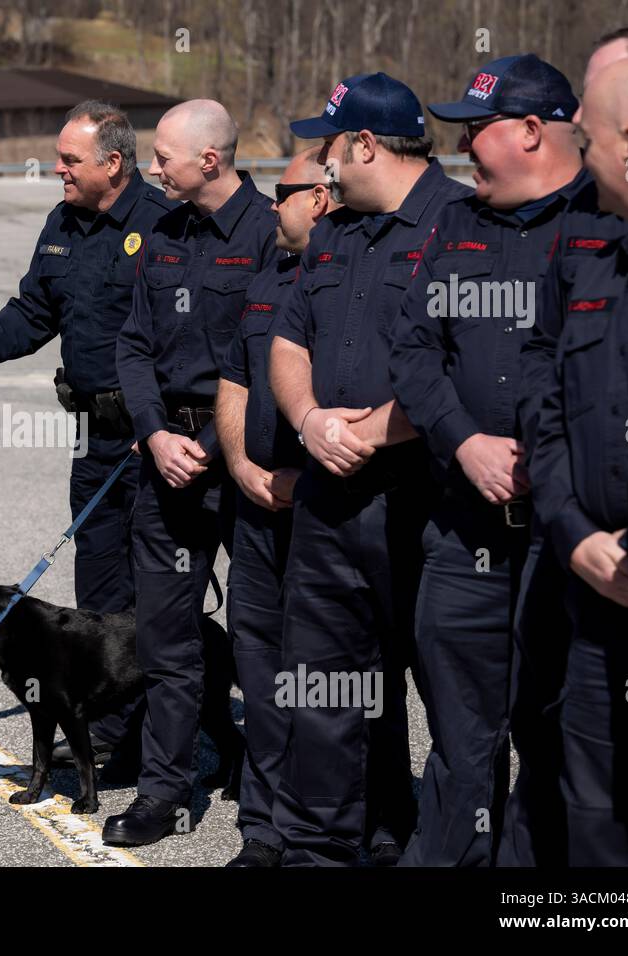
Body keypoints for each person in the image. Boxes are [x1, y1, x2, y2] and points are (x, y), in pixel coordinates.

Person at [0, 101, 176, 774]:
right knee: (97, 596)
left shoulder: (163, 226)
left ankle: (171, 744)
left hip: (157, 444)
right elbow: (32, 312)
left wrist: (162, 421)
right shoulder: (61, 224)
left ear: (113, 163)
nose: (57, 169)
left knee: (161, 594)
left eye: (69, 160)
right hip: (97, 440)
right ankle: (116, 739)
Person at [268, 72, 472, 866]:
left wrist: (379, 433)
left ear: (363, 144)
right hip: (329, 500)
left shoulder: (461, 226)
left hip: (426, 501)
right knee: (324, 689)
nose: (319, 164)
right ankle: (321, 849)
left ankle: (432, 847)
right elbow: (288, 341)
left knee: (448, 699)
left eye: (327, 144)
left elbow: (467, 365)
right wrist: (312, 421)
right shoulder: (336, 231)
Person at [388, 54, 584, 866]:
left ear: (533, 131)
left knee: (559, 735)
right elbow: (413, 354)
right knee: (461, 736)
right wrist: (463, 440)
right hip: (463, 529)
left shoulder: (608, 225)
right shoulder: (457, 224)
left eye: (477, 132)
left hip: (566, 540)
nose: (463, 149)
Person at [502, 24, 628, 869]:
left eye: (595, 132)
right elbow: (551, 401)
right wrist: (575, 534)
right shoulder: (608, 267)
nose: (580, 142)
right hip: (595, 609)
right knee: (596, 837)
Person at [104, 99, 279, 847]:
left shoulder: (271, 233)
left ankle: (270, 810)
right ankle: (162, 794)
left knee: (262, 638)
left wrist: (210, 442)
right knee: (167, 641)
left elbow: (275, 358)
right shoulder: (164, 233)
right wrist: (152, 432)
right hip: (166, 467)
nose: (151, 169)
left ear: (210, 159)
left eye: (163, 156)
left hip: (244, 466)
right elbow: (133, 345)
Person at [216, 146, 336, 867]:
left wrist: (310, 481)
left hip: (330, 514)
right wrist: (239, 462)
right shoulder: (270, 279)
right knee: (259, 674)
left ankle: (375, 822)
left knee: (345, 679)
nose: (269, 205)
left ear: (319, 198)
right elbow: (235, 375)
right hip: (258, 510)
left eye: (283, 192)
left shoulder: (357, 280)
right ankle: (263, 829)